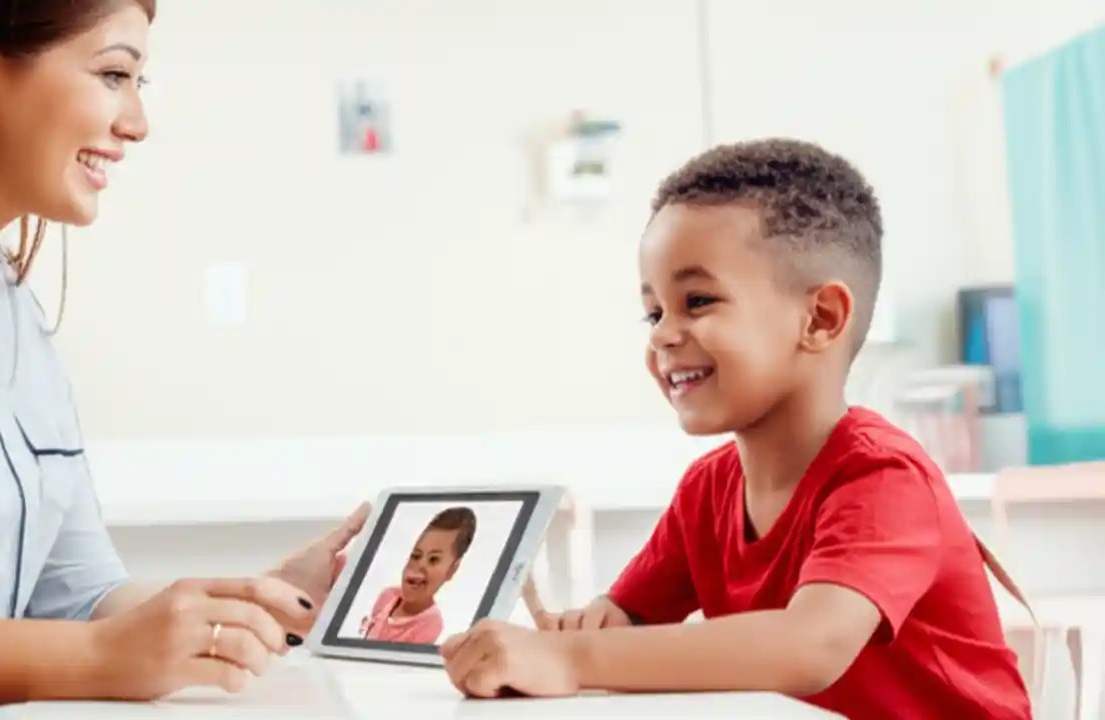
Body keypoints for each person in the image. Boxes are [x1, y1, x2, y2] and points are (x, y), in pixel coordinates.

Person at [0, 2, 369, 719]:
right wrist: (99, 660)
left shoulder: (13, 310)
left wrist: (256, 603)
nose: (137, 122)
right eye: (114, 74)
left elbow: (77, 596)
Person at [439, 139, 1032, 719]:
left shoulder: (882, 478)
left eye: (696, 301)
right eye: (654, 311)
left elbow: (809, 648)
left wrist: (571, 657)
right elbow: (621, 624)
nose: (663, 334)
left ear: (821, 319)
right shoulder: (707, 491)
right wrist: (554, 640)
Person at [359, 507, 476, 644]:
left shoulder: (431, 623)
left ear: (452, 570)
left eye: (433, 559)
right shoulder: (388, 596)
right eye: (415, 556)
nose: (420, 565)